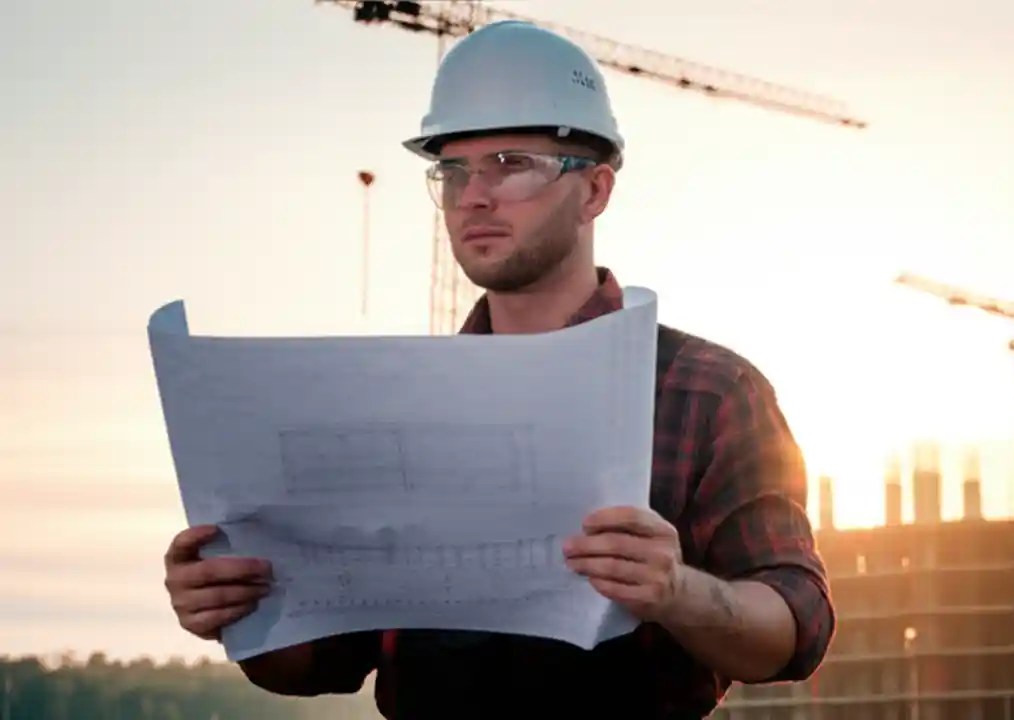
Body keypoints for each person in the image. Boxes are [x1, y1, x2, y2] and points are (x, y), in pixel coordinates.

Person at [162, 19, 833, 718]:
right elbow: (322, 661)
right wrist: (236, 609)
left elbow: (793, 628)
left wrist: (677, 591)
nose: (473, 195)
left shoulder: (707, 390)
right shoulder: (391, 404)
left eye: (511, 163)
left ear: (596, 191)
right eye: (452, 170)